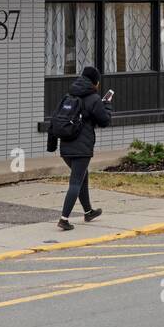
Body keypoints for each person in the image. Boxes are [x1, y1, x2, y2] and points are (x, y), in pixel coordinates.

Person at [46, 65, 112, 230]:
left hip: (66, 148)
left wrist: (52, 144)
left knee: (82, 175)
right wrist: (107, 105)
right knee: (76, 182)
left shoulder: (68, 96)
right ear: (95, 82)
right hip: (82, 149)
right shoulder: (94, 99)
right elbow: (104, 121)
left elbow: (55, 119)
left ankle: (88, 211)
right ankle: (64, 219)